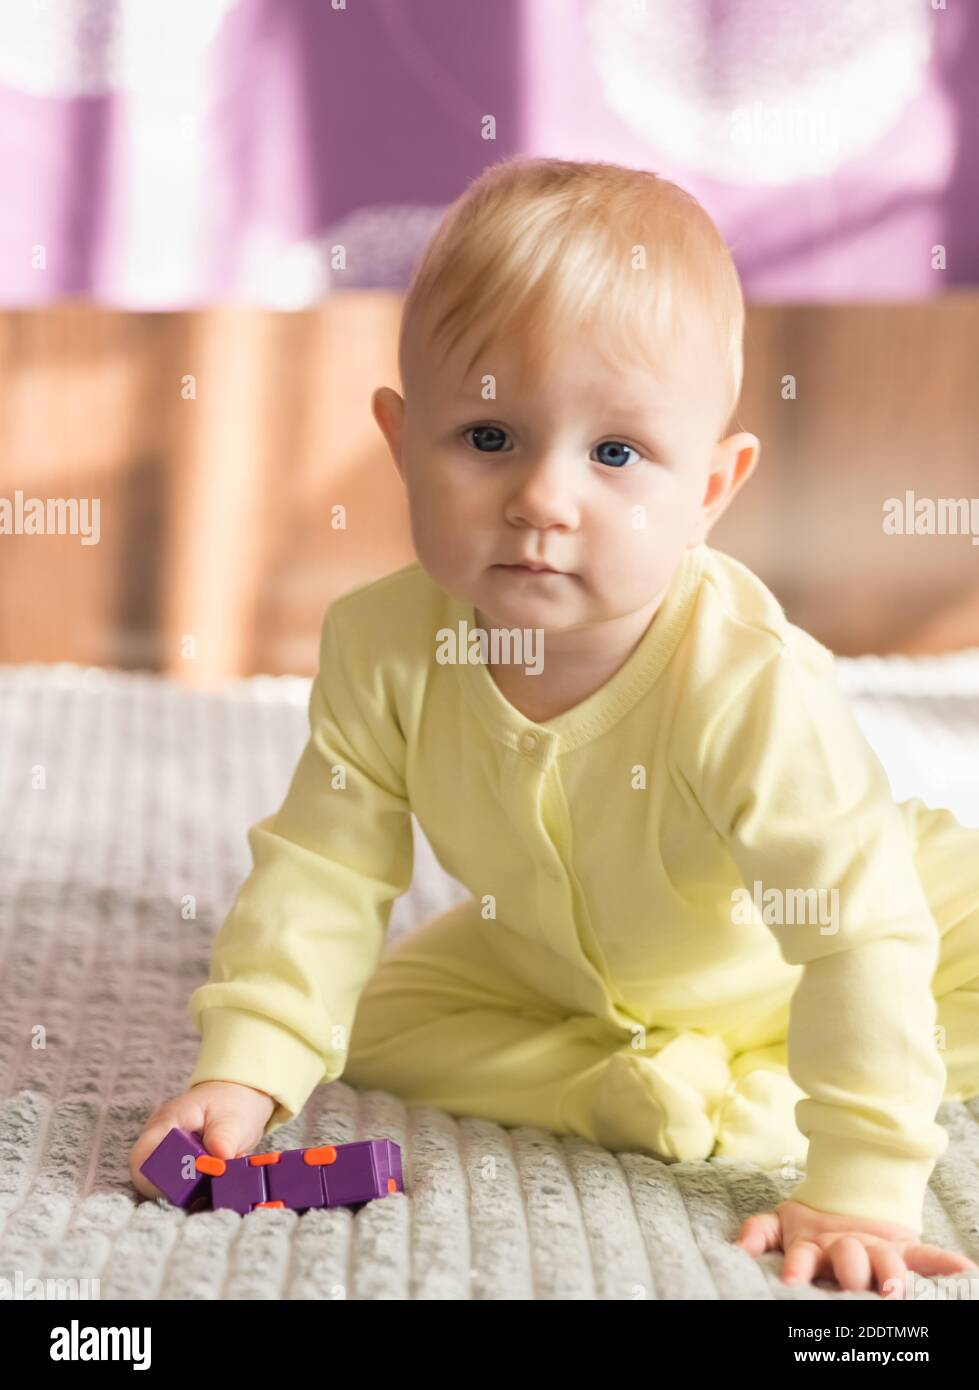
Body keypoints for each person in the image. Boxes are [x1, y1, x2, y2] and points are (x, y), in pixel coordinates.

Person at [130, 157, 979, 1293]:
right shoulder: (383, 645)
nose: (542, 498)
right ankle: (636, 1085)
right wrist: (243, 1073)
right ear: (398, 442)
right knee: (371, 1023)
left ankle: (752, 1090)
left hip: (862, 922)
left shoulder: (743, 681)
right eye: (487, 438)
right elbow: (322, 874)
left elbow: (856, 931)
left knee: (923, 1000)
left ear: (711, 490)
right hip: (557, 965)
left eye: (616, 453)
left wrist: (858, 1187)